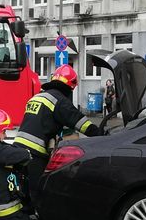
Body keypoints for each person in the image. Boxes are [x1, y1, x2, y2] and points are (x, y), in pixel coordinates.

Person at [12, 64, 102, 199]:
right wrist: (103, 135)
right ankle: (37, 216)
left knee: (22, 187)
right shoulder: (60, 101)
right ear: (70, 86)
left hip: (18, 147)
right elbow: (82, 125)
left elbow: (44, 121)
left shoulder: (38, 97)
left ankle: (23, 214)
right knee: (38, 190)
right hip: (35, 153)